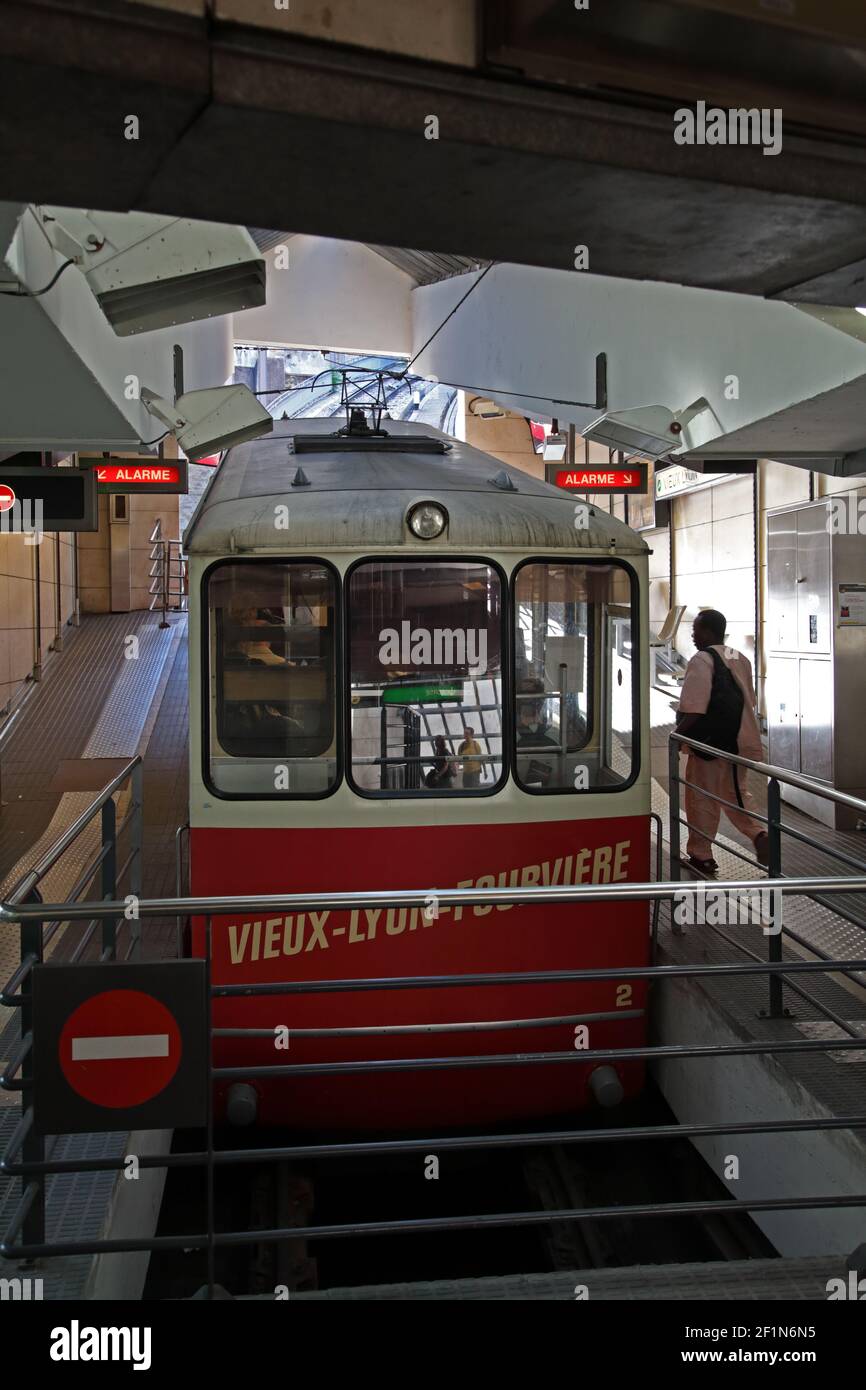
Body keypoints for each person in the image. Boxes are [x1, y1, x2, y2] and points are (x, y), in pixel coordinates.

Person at [676, 608, 769, 874]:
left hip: (712, 745)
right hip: (741, 741)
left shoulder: (702, 659)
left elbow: (695, 708)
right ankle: (760, 834)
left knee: (702, 797)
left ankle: (701, 855)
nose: (693, 635)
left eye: (695, 630)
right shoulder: (739, 657)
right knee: (736, 794)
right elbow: (748, 699)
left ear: (707, 631)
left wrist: (677, 736)